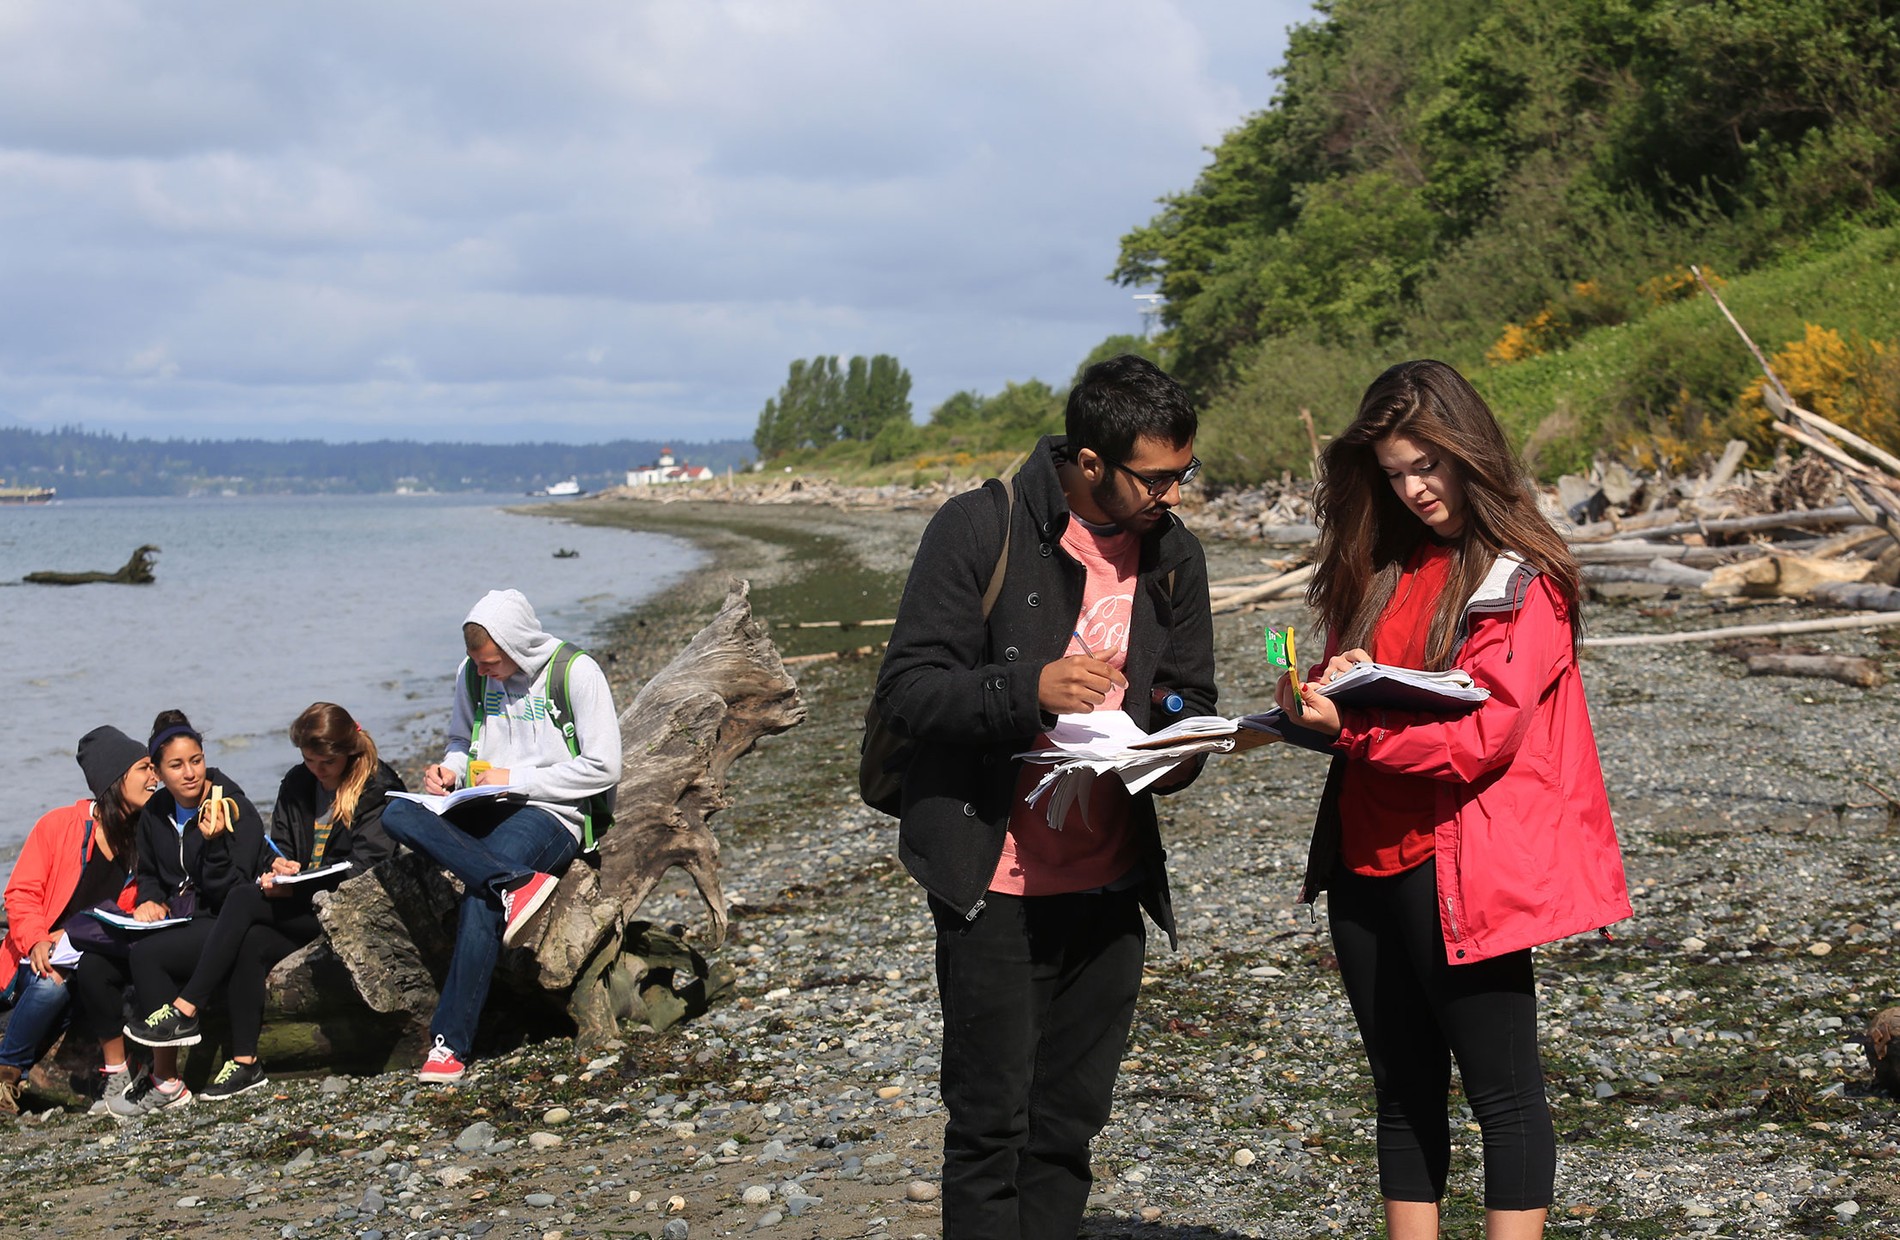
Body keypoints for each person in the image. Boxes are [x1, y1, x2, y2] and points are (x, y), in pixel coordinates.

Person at [1276, 360, 1632, 1240]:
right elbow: (1365, 691)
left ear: (1468, 450)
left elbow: (1482, 737)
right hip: (1363, 857)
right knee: (1399, 1088)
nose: (1414, 488)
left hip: (1462, 865)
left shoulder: (1524, 578)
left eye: (1426, 465)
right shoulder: (1377, 566)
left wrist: (1346, 729)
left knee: (1503, 1097)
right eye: (1395, 473)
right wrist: (1330, 683)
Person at [874, 354, 1218, 1239]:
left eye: (1185, 473)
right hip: (992, 880)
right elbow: (910, 690)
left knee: (1068, 1130)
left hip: (1110, 886)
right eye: (1158, 477)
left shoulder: (1174, 555)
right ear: (1091, 461)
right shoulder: (980, 526)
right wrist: (1028, 691)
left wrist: (1183, 747)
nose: (1175, 494)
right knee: (990, 1128)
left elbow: (1189, 695)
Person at [380, 589, 620, 1083]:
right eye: (479, 664)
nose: (485, 673)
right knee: (397, 814)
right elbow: (457, 742)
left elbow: (605, 767)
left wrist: (518, 780)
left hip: (553, 813)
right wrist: (447, 773)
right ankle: (513, 881)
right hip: (483, 803)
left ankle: (448, 1045)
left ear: (520, 644)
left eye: (493, 663)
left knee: (480, 896)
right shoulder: (471, 673)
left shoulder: (575, 672)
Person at [124, 702, 403, 1100]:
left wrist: (296, 883)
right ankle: (245, 1063)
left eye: (326, 763)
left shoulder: (376, 787)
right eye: (309, 761)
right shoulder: (297, 782)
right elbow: (283, 847)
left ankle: (186, 1009)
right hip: (304, 901)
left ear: (349, 752)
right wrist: (280, 870)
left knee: (241, 900)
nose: (316, 770)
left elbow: (370, 868)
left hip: (349, 909)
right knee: (250, 942)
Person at [108, 709, 268, 1117]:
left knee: (148, 954)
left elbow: (235, 889)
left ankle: (166, 1077)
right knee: (131, 948)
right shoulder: (156, 813)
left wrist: (213, 845)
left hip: (223, 920)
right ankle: (163, 1078)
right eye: (176, 765)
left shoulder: (233, 806)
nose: (190, 773)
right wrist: (148, 898)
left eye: (195, 761)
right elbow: (149, 872)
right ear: (158, 772)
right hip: (184, 918)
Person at [0, 728, 153, 1115]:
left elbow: (134, 909)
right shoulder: (59, 826)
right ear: (114, 780)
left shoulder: (145, 837)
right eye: (144, 768)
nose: (155, 777)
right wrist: (37, 940)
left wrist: (75, 931)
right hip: (32, 954)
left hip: (92, 953)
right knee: (52, 983)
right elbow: (20, 894)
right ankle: (6, 1073)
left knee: (73, 982)